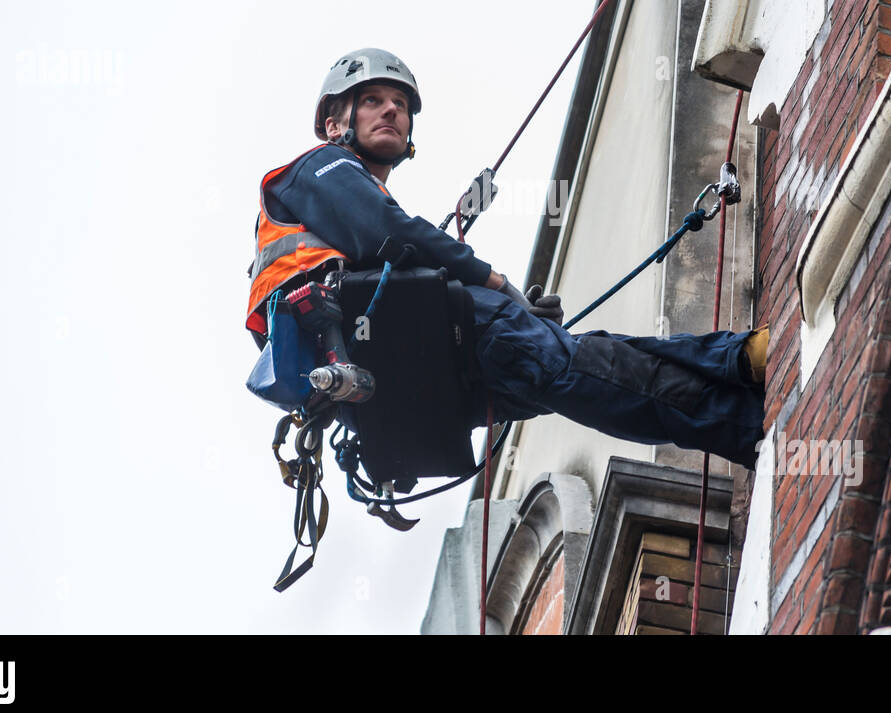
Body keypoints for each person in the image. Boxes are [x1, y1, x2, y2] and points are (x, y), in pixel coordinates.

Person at [246, 48, 768, 469]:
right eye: (372, 100)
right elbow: (388, 234)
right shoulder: (318, 168)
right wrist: (497, 285)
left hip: (419, 359)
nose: (390, 110)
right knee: (582, 372)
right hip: (410, 339)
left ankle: (735, 364)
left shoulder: (344, 194)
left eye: (399, 105)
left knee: (586, 367)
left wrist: (517, 316)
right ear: (334, 122)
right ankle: (745, 414)